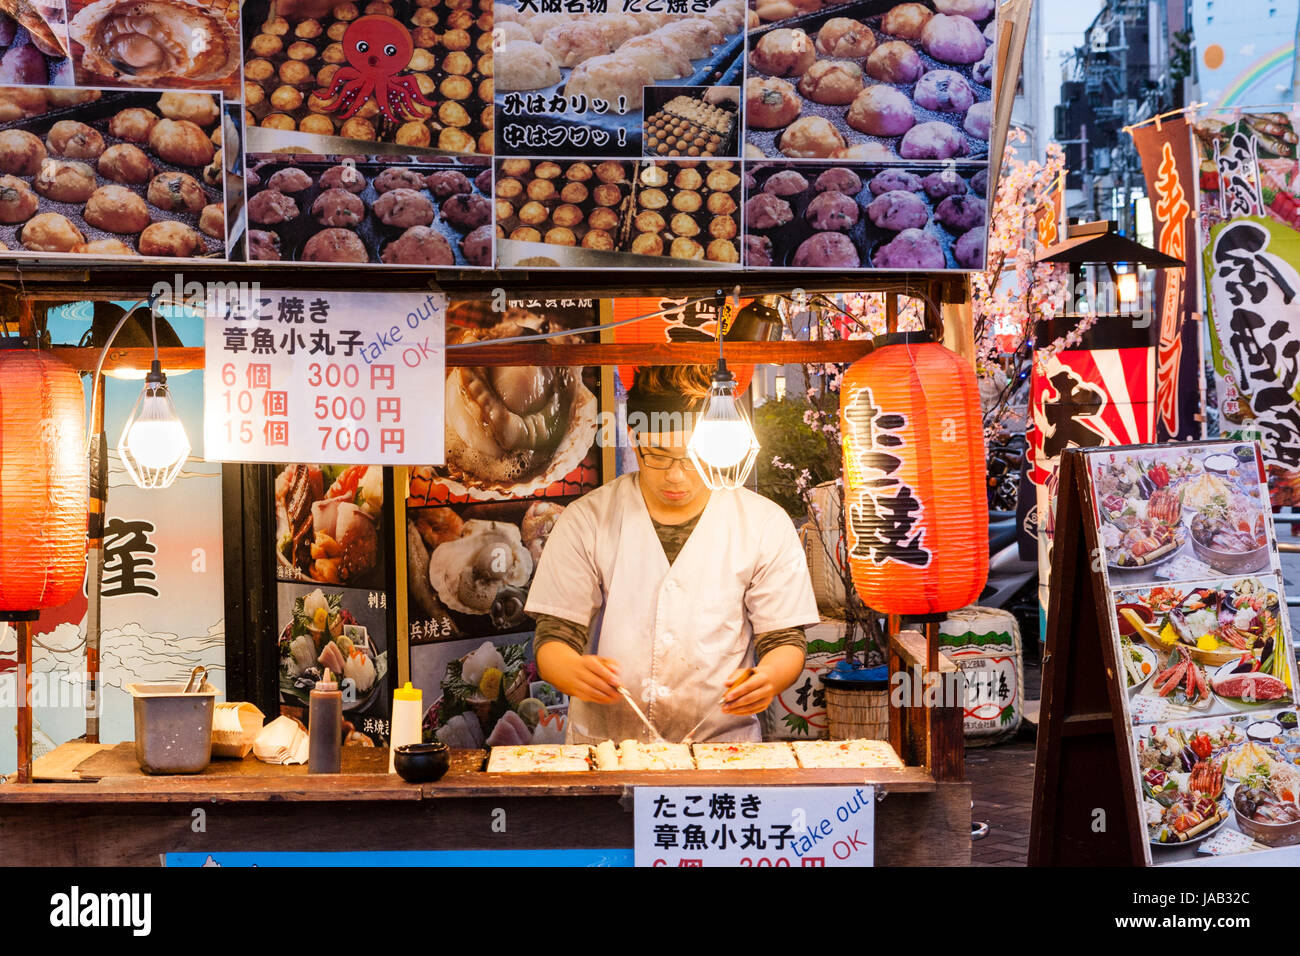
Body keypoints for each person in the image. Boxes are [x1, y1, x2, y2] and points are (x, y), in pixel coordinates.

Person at [524, 365, 819, 743]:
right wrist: (568, 668)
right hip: (610, 748)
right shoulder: (587, 519)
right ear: (633, 438)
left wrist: (769, 677)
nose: (676, 476)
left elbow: (785, 642)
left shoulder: (763, 523)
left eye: (693, 457)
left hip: (721, 746)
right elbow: (553, 639)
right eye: (658, 456)